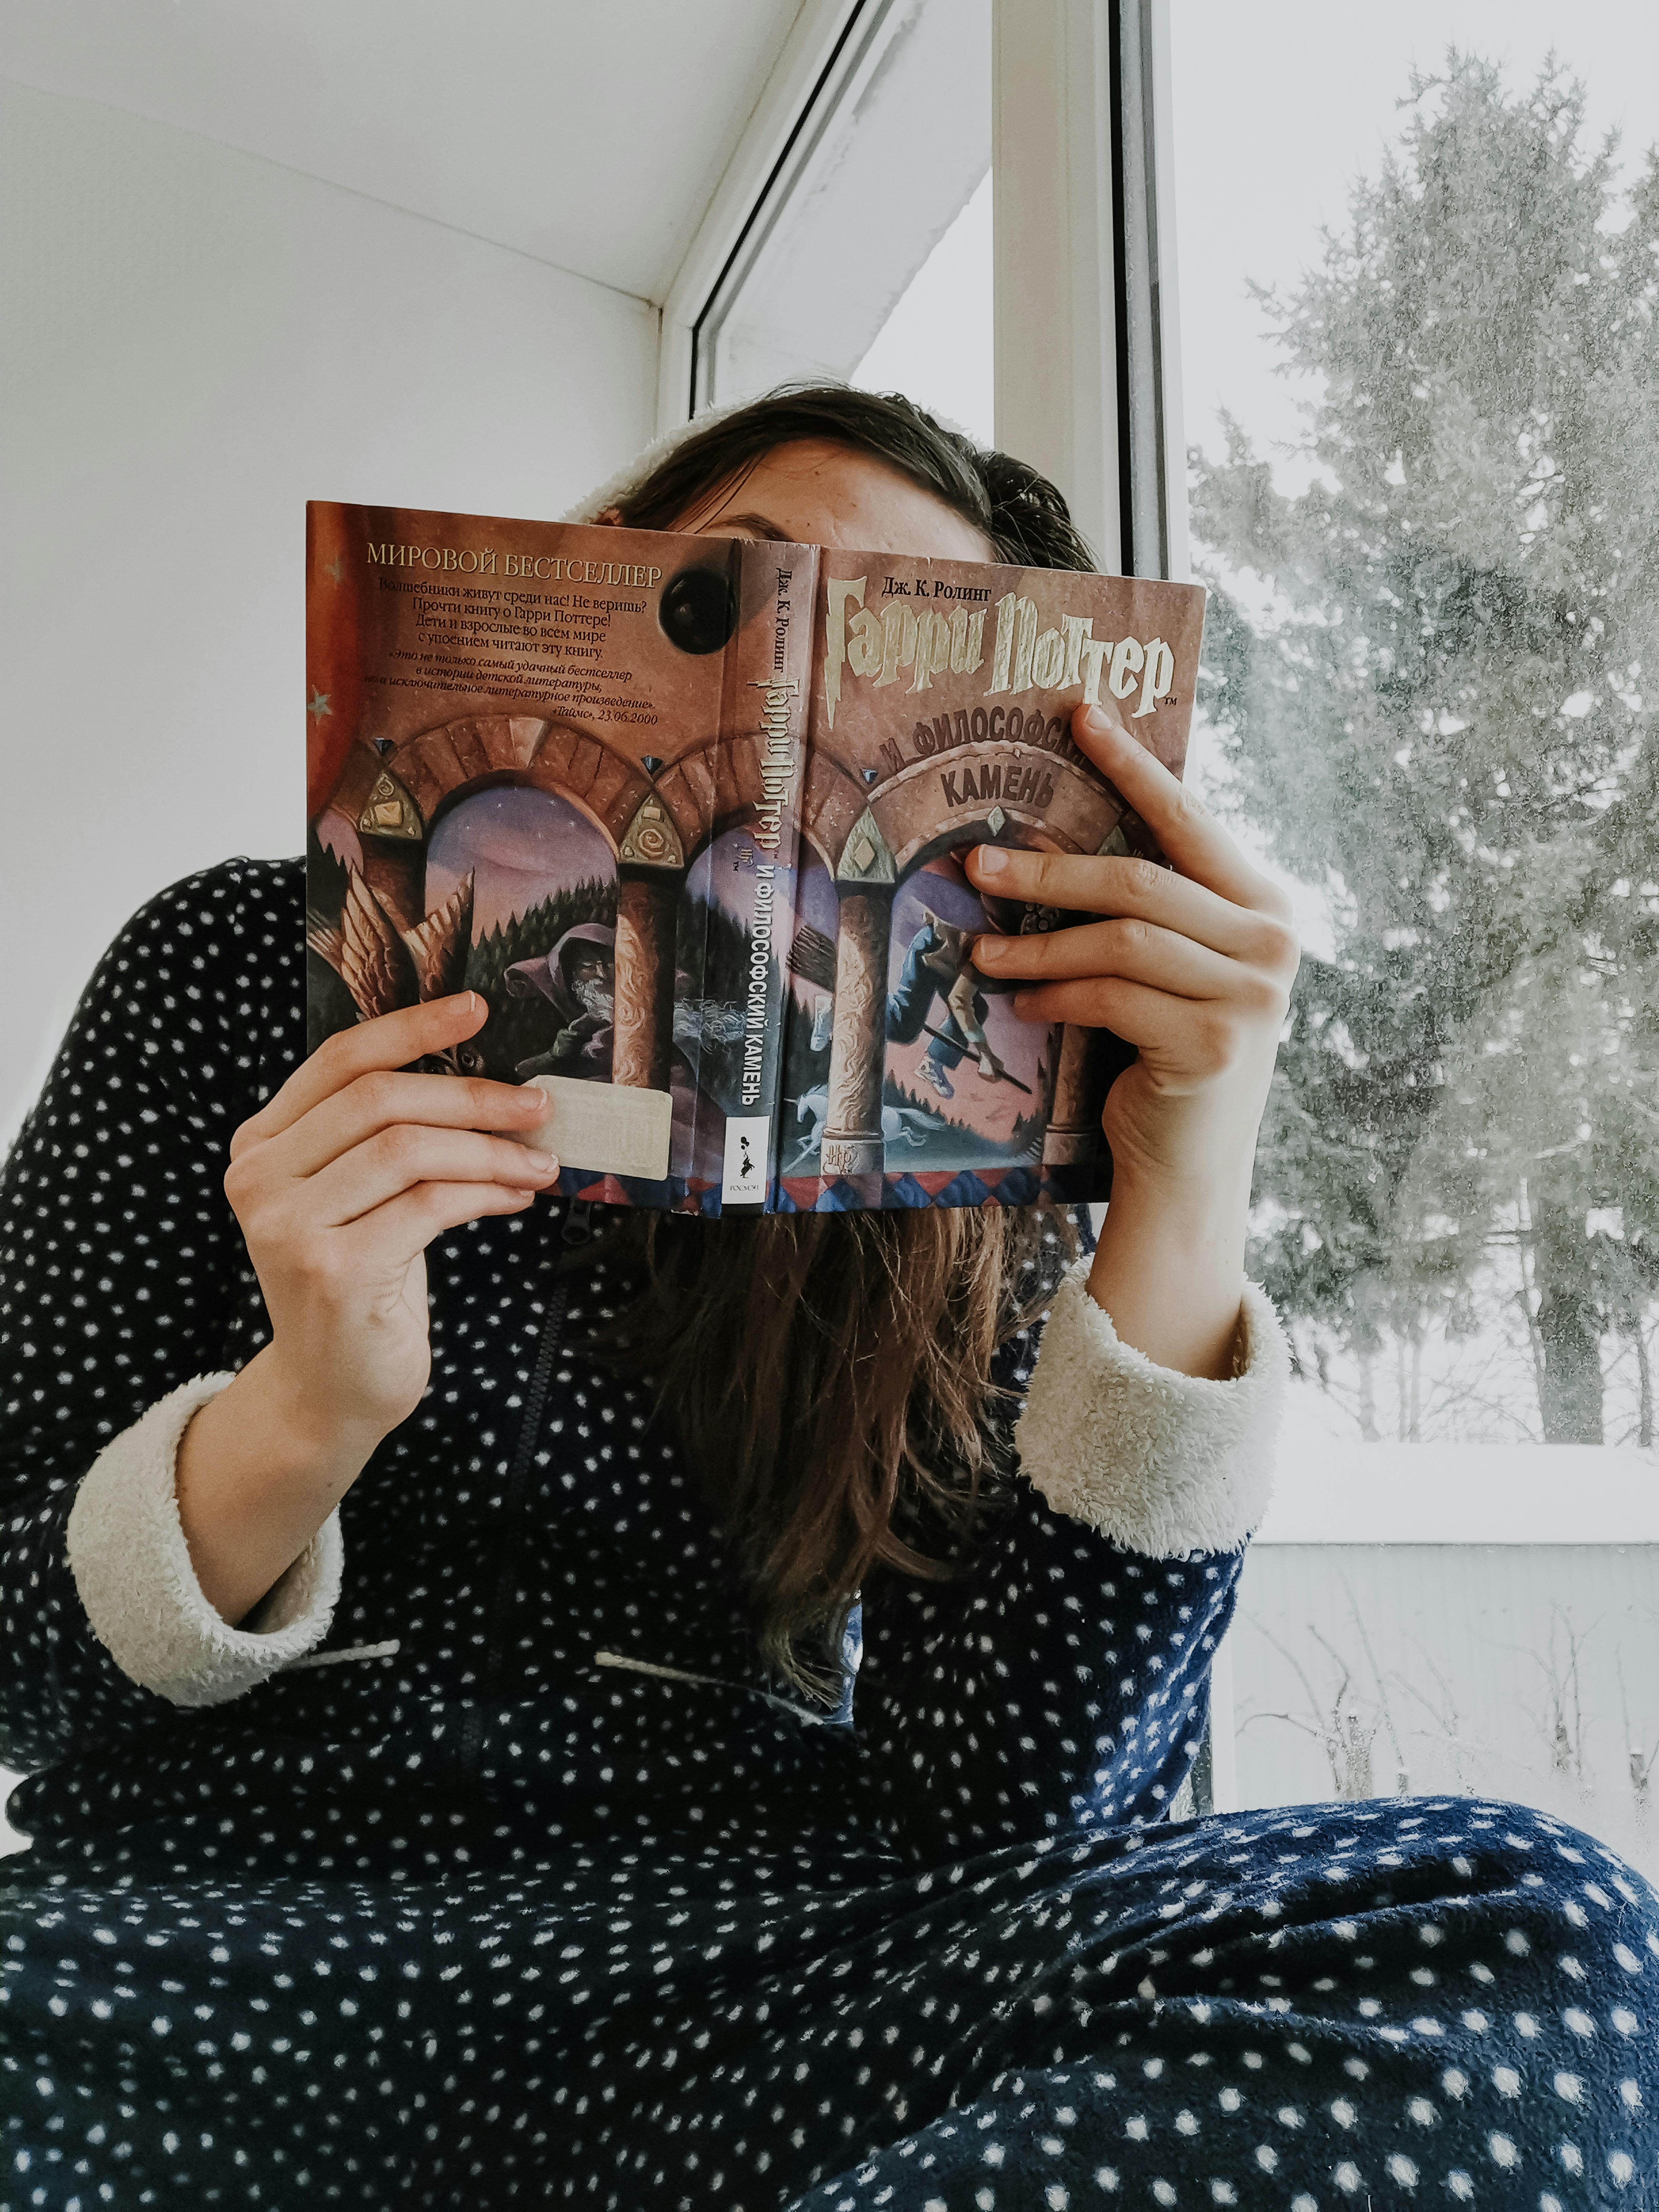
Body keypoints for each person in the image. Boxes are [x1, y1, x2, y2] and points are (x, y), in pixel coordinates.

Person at [2, 387, 1653, 2211]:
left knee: (1531, 1929)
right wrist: (298, 1416)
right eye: (738, 594)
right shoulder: (233, 971)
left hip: (776, 1984)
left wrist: (1183, 1192)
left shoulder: (990, 1128)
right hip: (208, 1950)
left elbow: (1028, 1818)